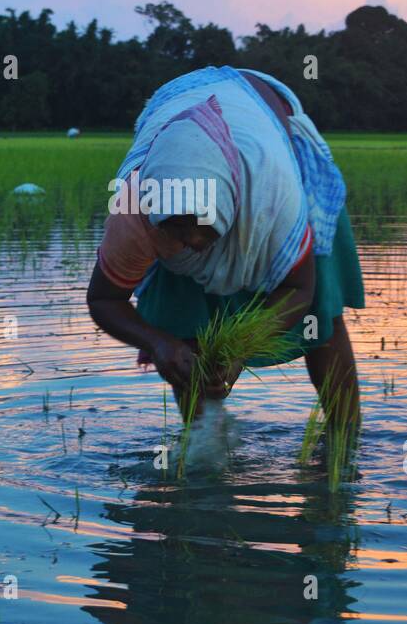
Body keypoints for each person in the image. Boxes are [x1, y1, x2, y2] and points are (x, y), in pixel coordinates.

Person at [87, 66, 363, 425]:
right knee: (181, 322)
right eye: (177, 229)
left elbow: (300, 288)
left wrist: (242, 348)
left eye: (203, 227)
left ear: (228, 205)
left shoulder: (272, 197)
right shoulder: (139, 208)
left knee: (321, 320)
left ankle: (347, 441)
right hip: (179, 111)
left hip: (267, 129)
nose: (194, 243)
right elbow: (104, 298)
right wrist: (160, 343)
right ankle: (202, 454)